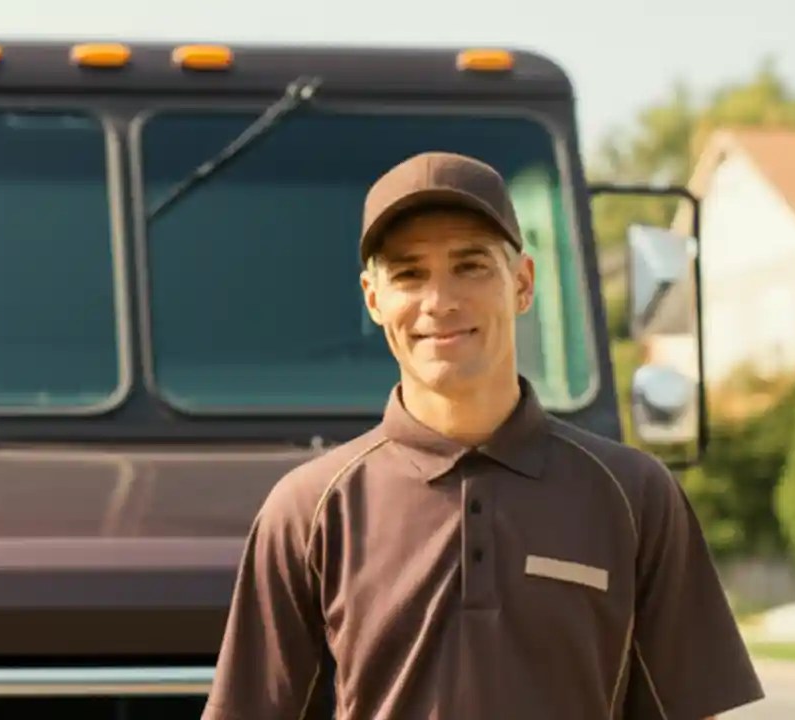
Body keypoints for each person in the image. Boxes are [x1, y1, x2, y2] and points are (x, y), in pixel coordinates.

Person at [201, 151, 764, 720]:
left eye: (470, 266)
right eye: (409, 274)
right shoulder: (308, 512)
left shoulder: (634, 496)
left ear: (522, 283)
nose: (440, 302)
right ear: (374, 299)